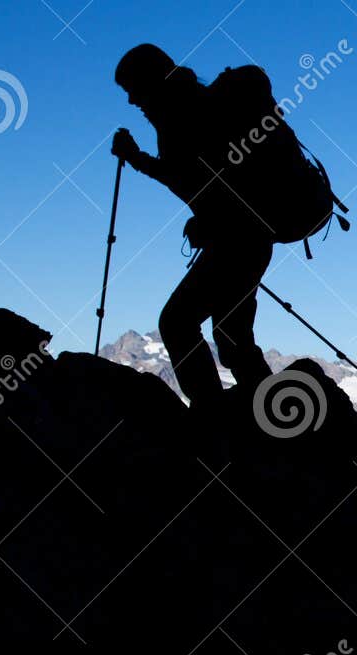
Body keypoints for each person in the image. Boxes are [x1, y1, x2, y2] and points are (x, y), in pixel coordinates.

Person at [111, 44, 273, 407]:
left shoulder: (178, 112)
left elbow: (188, 179)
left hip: (236, 240)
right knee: (233, 337)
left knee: (177, 323)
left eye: (132, 89)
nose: (131, 100)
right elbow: (214, 179)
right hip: (251, 235)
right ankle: (275, 420)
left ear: (148, 81)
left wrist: (135, 159)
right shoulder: (197, 101)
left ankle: (212, 419)